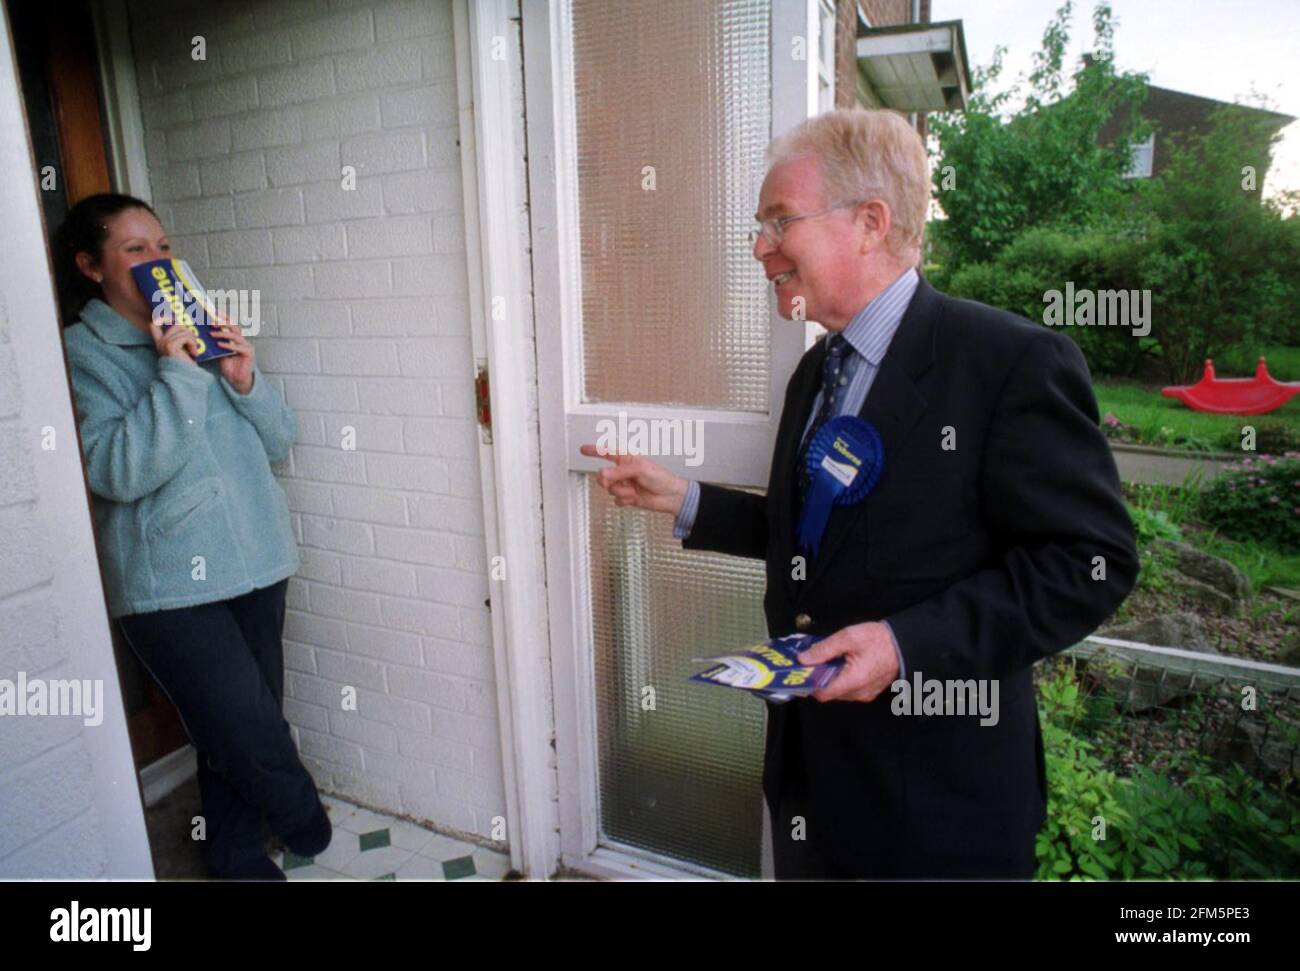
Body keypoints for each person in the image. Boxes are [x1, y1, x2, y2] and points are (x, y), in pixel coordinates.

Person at [583, 108, 1138, 879]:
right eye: (757, 225)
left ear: (871, 223)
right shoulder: (817, 373)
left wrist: (905, 645)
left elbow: (1091, 561)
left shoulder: (1008, 362)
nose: (758, 247)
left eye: (779, 221)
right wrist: (682, 498)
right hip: (813, 772)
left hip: (939, 807)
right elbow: (819, 534)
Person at [55, 193, 331, 880]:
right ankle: (304, 819)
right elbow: (118, 471)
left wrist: (244, 379)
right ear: (92, 266)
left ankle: (236, 855)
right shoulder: (81, 353)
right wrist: (174, 374)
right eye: (135, 249)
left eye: (163, 246)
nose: (158, 261)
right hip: (170, 585)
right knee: (248, 728)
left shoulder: (200, 326)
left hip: (259, 559)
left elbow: (280, 438)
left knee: (229, 732)